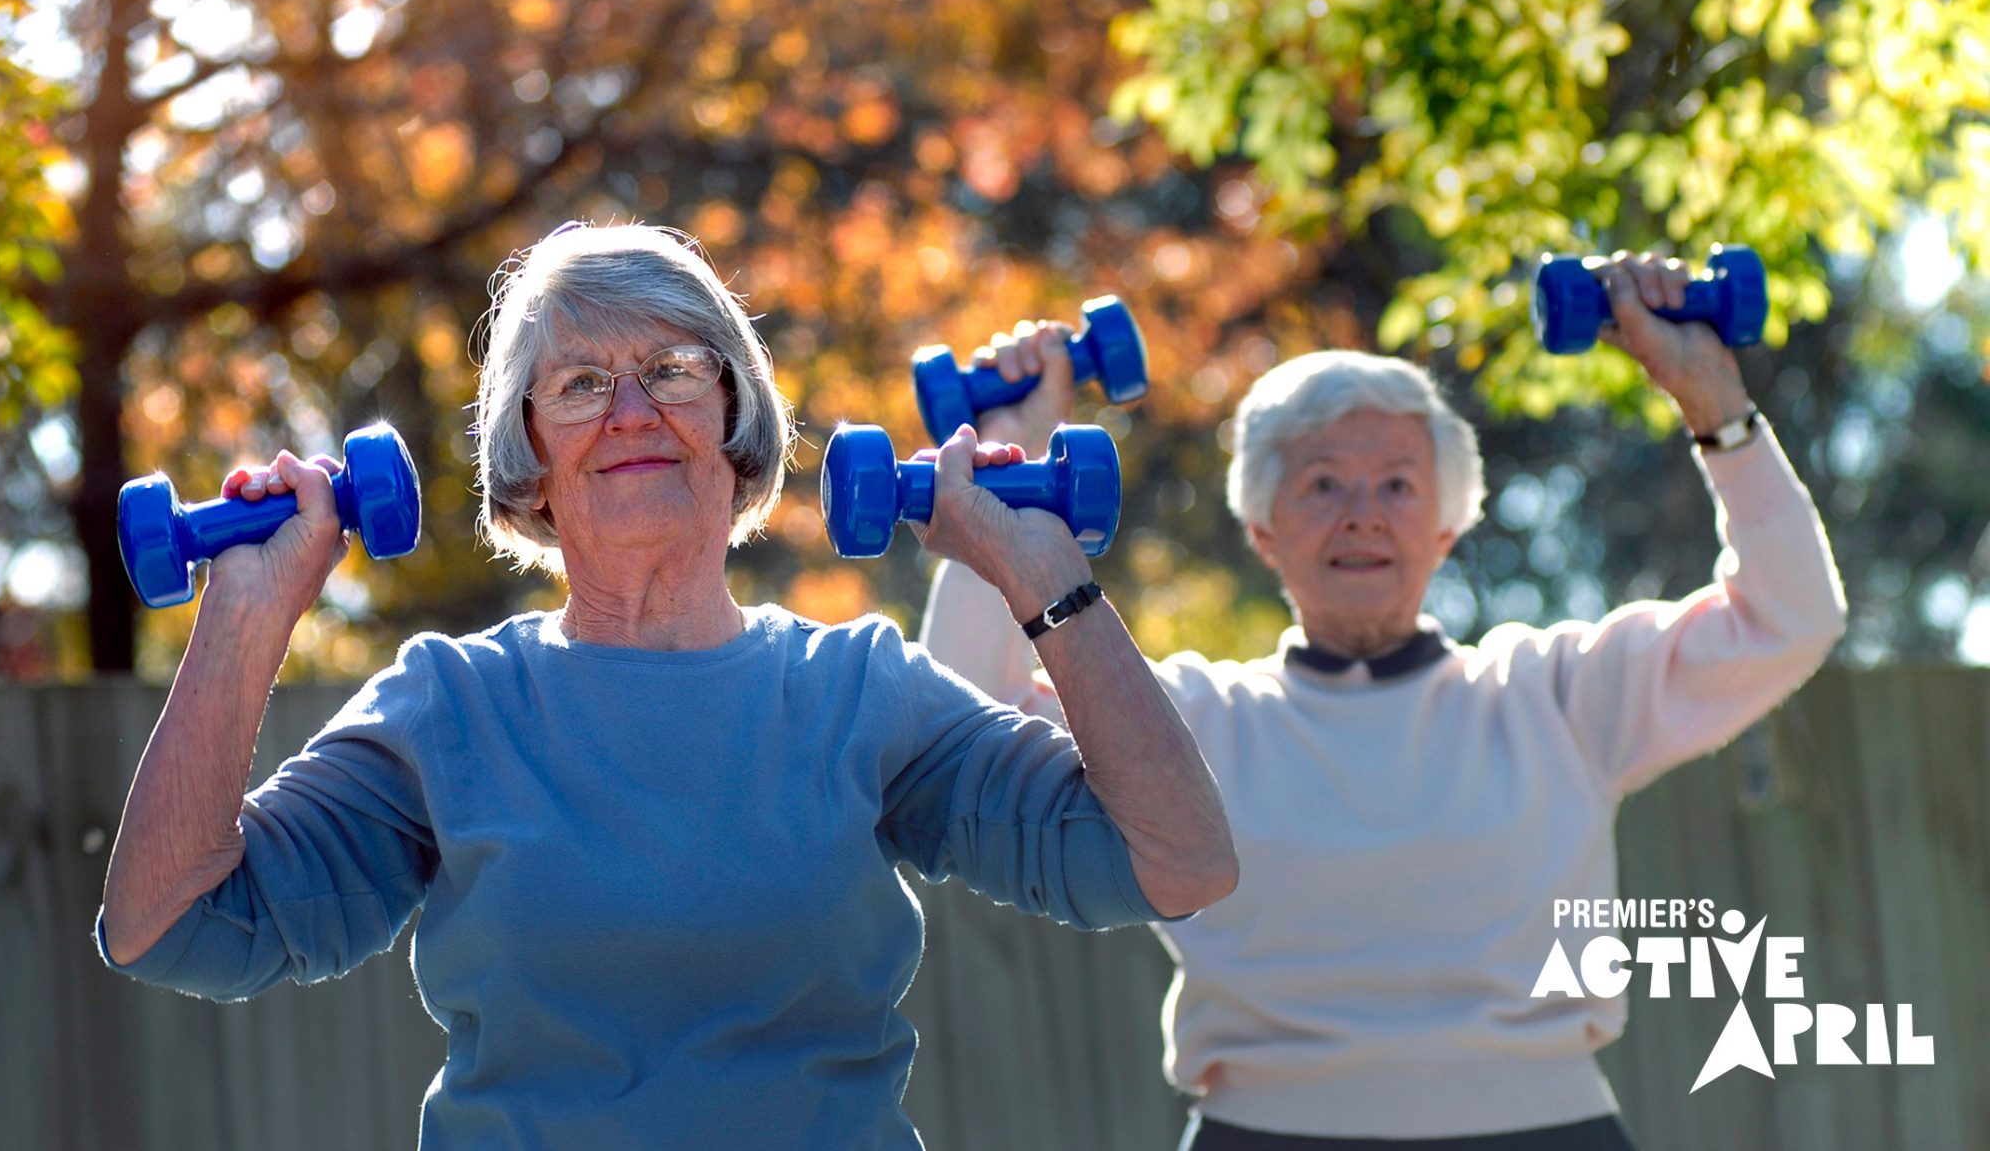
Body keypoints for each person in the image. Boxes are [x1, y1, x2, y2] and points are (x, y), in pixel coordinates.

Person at [96, 221, 1237, 1149]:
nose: (633, 411)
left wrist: (1045, 579)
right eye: (582, 383)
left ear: (736, 425)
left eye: (674, 371)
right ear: (527, 458)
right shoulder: (449, 708)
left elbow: (1178, 860)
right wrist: (244, 620)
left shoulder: (857, 691)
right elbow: (170, 927)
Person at [919, 253, 1848, 1151]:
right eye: (1323, 484)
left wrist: (1714, 402)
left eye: (1397, 485)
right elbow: (961, 722)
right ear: (1262, 529)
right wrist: (1014, 452)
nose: (1362, 513)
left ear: (1446, 526)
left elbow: (1790, 616)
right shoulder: (1188, 718)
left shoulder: (1557, 692)